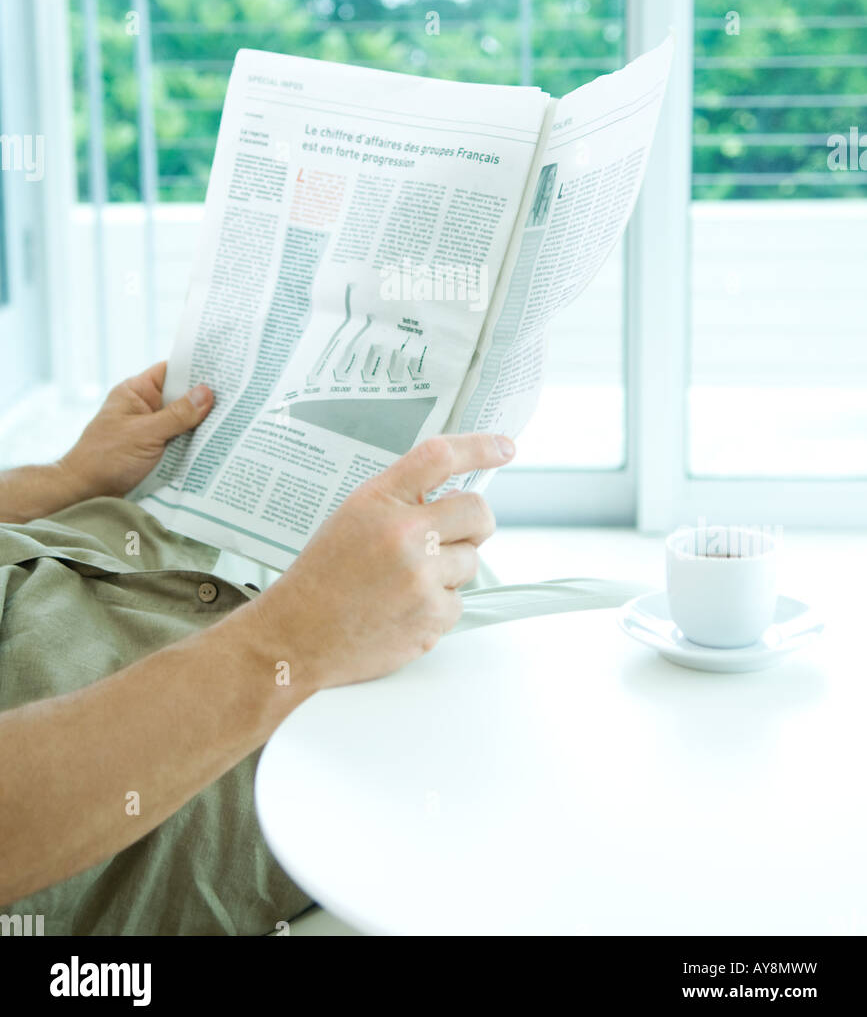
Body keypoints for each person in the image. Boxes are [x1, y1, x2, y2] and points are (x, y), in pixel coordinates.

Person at [0, 362, 636, 935]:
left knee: (478, 584)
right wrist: (293, 638)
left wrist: (65, 476)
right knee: (613, 636)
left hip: (97, 549)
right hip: (109, 752)